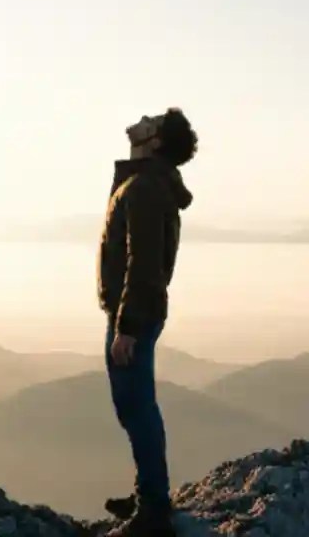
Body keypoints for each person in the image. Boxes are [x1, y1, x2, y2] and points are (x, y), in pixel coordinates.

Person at [98, 108, 198, 537]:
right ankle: (148, 492)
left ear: (154, 142)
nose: (141, 119)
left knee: (137, 407)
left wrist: (127, 327)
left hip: (134, 315)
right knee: (134, 406)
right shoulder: (146, 182)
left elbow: (143, 263)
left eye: (151, 121)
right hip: (135, 311)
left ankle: (153, 509)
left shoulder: (144, 188)